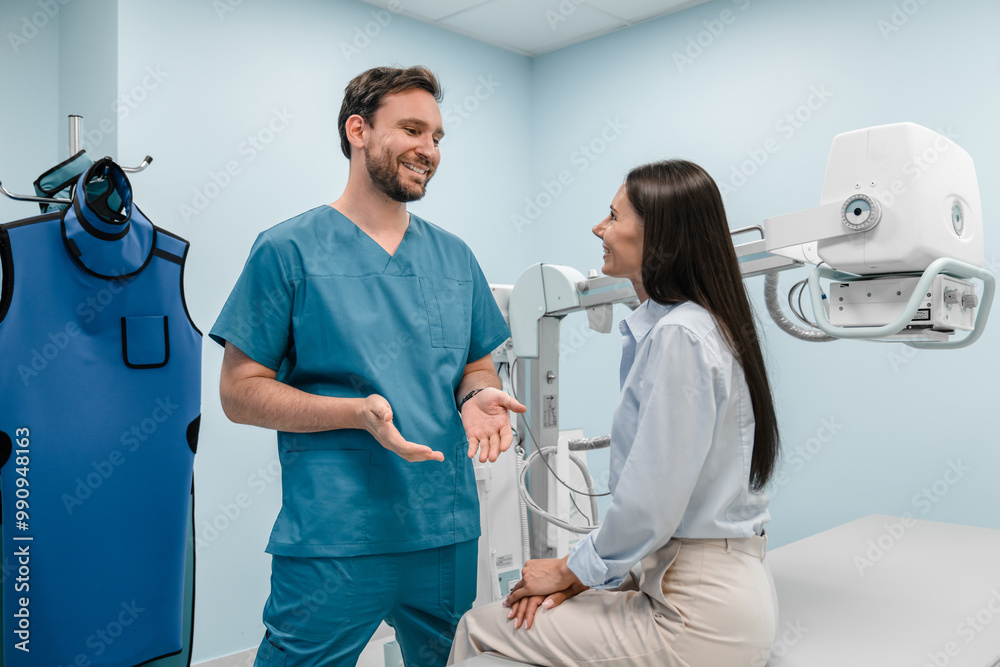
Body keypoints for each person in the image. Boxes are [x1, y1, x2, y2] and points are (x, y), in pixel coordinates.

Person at [211, 66, 526, 667]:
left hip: (443, 531)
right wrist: (355, 413)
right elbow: (239, 392)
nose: (428, 150)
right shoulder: (288, 250)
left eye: (436, 137)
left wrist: (476, 395)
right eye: (412, 129)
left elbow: (476, 366)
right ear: (358, 130)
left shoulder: (455, 257)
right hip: (336, 533)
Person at [448, 160, 780, 666]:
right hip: (704, 591)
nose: (599, 228)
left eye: (613, 216)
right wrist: (590, 579)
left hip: (695, 615)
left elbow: (651, 506)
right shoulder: (699, 326)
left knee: (478, 626)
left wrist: (569, 570)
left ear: (661, 238)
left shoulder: (681, 336)